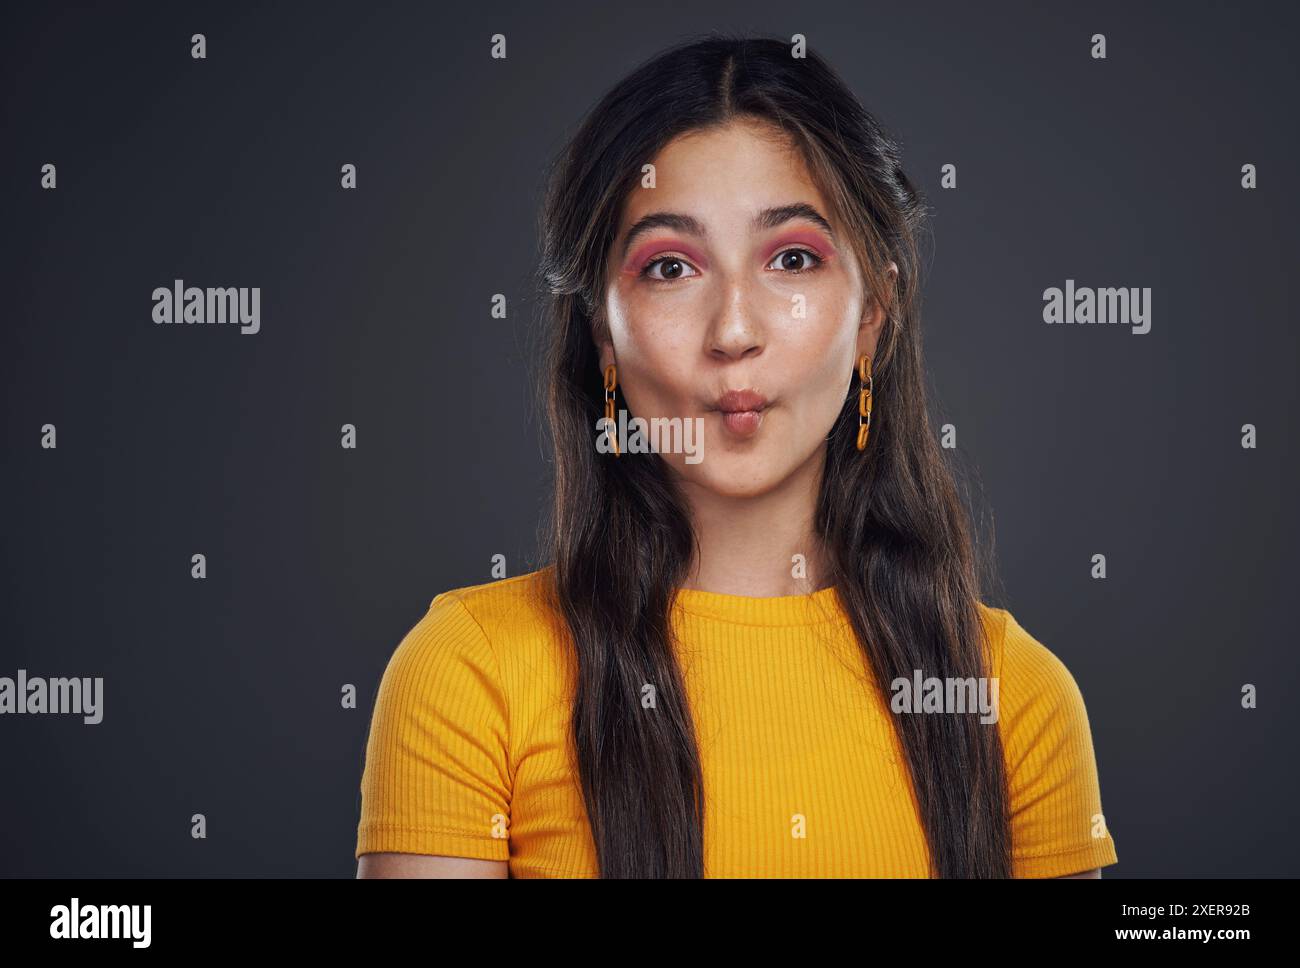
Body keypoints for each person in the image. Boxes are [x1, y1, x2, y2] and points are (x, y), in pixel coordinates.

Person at [355, 33, 1118, 879]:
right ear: (602, 333)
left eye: (792, 258)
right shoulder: (471, 675)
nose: (733, 332)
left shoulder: (1015, 698)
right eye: (671, 267)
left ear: (873, 314)